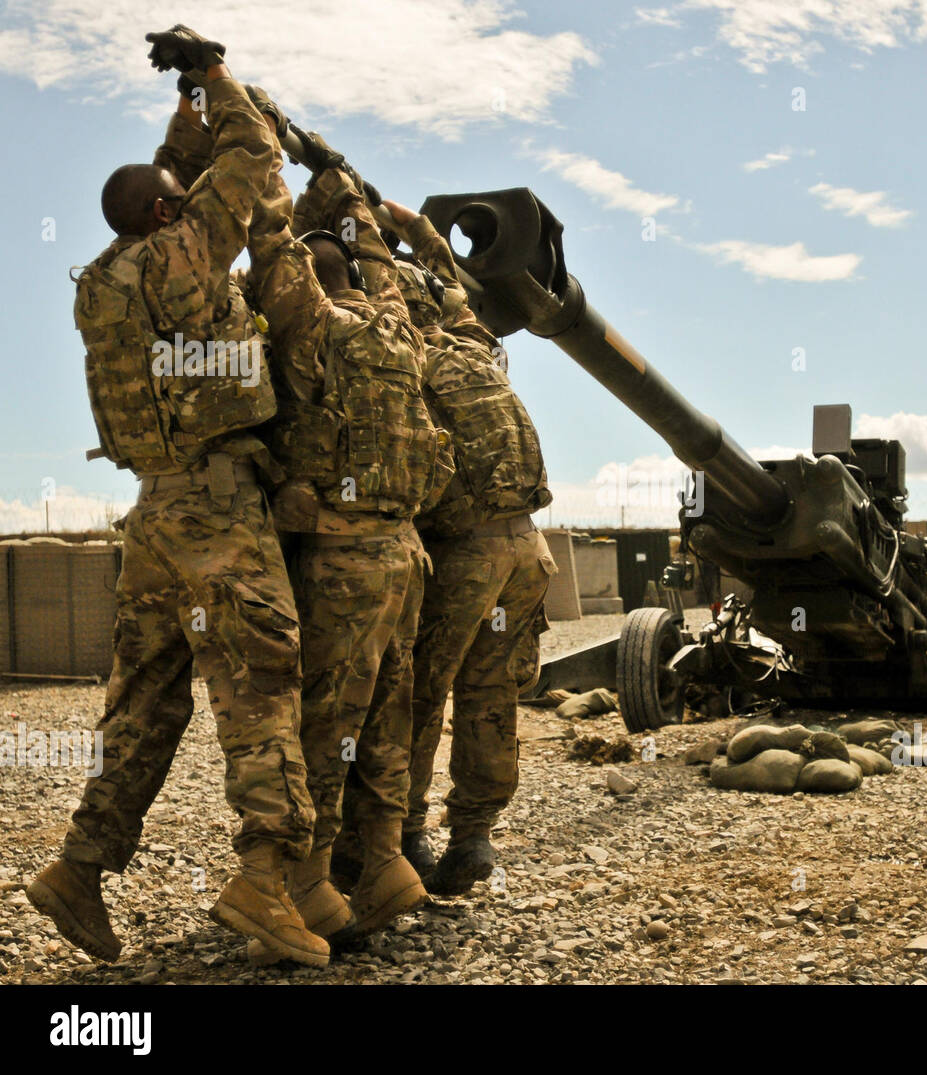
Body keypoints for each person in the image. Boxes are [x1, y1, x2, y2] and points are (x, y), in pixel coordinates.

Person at [26, 26, 327, 969]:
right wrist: (214, 74)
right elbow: (252, 155)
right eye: (181, 202)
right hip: (218, 511)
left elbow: (176, 170)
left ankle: (79, 866)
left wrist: (185, 112)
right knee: (261, 684)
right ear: (171, 216)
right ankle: (268, 881)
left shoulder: (105, 283)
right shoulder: (189, 251)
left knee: (144, 705)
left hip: (153, 517)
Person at [245, 131, 450, 941]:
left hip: (343, 558)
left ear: (308, 279)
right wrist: (338, 179)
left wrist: (266, 155)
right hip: (408, 554)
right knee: (388, 713)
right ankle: (387, 861)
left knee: (327, 723)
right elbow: (377, 254)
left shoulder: (312, 328)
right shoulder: (398, 325)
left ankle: (309, 883)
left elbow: (267, 243)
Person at [354, 198, 555, 896]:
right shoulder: (472, 344)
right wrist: (412, 226)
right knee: (491, 694)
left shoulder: (404, 356)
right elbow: (445, 272)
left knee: (418, 695)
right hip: (529, 552)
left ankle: (405, 835)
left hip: (466, 553)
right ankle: (473, 835)